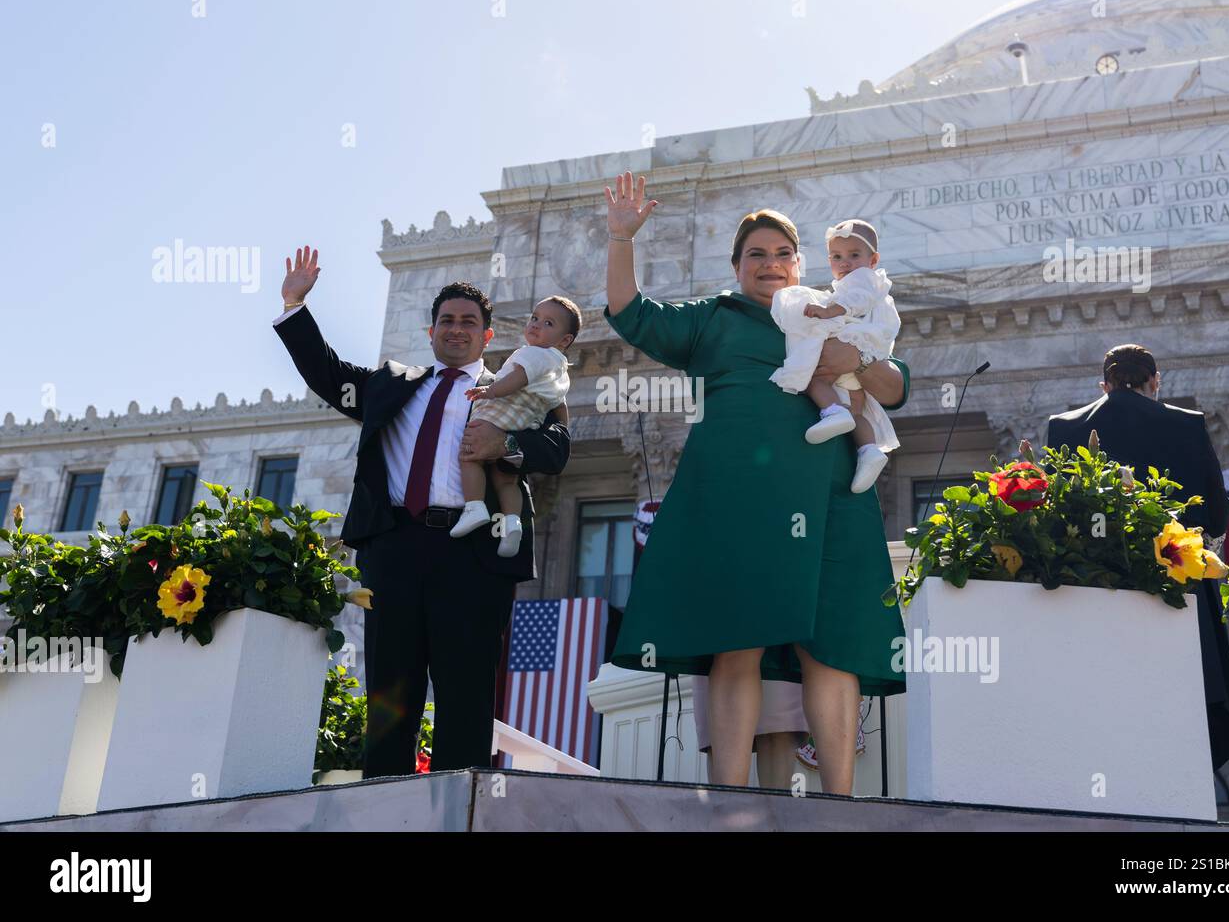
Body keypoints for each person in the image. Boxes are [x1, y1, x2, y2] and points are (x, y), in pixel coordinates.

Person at [602, 173, 909, 796]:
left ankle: (839, 805)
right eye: (756, 255)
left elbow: (897, 386)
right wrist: (621, 239)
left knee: (834, 646)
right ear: (737, 265)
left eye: (781, 254)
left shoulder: (833, 310)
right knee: (735, 643)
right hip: (736, 500)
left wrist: (862, 362)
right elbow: (629, 315)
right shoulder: (714, 317)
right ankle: (729, 799)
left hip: (830, 499)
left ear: (799, 263)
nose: (769, 264)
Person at [274, 248, 570, 776]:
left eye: (469, 323)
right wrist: (296, 305)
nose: (456, 330)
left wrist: (506, 444)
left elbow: (557, 449)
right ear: (431, 330)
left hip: (473, 554)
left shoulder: (517, 389)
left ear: (487, 336)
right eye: (447, 321)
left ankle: (458, 811)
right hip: (394, 550)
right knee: (391, 690)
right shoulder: (391, 387)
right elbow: (326, 372)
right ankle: (382, 804)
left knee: (466, 692)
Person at [1046, 343, 1229, 771]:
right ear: (1155, 382)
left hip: (1095, 594)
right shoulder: (1186, 425)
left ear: (1105, 384)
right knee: (1186, 722)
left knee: (1108, 719)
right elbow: (1214, 511)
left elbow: (1056, 519)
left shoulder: (1063, 428)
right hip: (1178, 589)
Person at [769, 219, 901, 493]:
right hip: (861, 355)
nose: (845, 263)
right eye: (837, 257)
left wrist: (829, 311)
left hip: (855, 340)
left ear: (873, 259)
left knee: (815, 380)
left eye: (854, 255)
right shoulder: (856, 284)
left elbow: (856, 301)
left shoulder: (863, 281)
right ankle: (869, 450)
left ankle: (833, 413)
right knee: (857, 408)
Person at [450, 296, 578, 557]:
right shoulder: (560, 371)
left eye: (548, 323)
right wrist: (563, 429)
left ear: (565, 340)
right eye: (534, 318)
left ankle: (474, 507)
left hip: (501, 412)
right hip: (525, 421)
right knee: (505, 477)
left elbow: (518, 378)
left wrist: (490, 390)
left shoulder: (533, 353)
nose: (536, 325)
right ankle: (512, 523)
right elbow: (560, 407)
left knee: (470, 454)